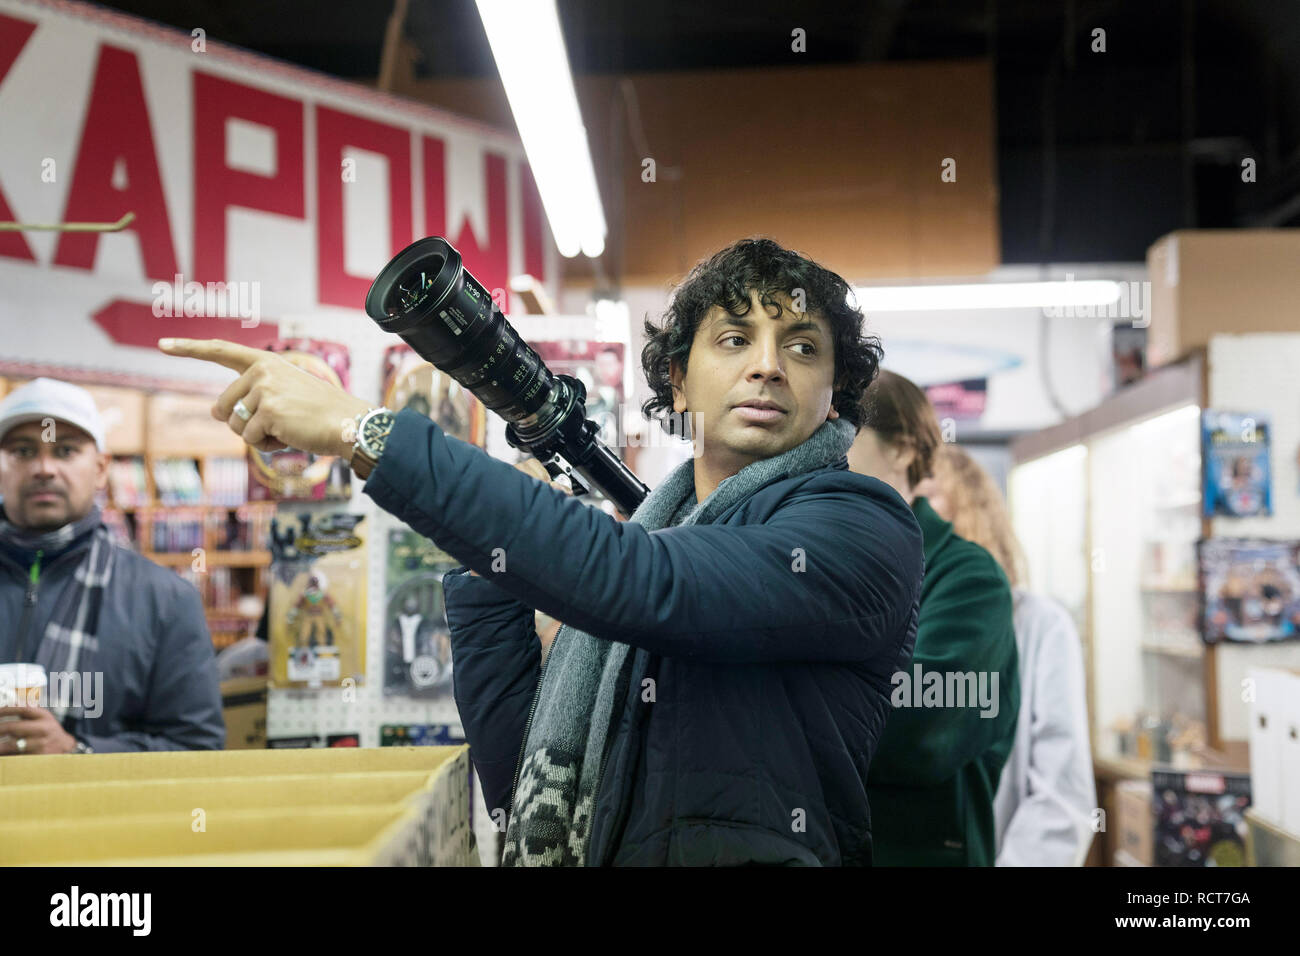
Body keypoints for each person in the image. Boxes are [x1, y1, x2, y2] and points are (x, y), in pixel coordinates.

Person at [159, 236, 925, 866]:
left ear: (835, 393)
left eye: (802, 347)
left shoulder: (860, 526)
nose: (767, 365)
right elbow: (515, 774)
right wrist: (491, 571)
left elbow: (647, 585)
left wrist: (366, 431)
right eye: (734, 339)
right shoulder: (663, 530)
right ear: (678, 382)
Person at [846, 370, 1019, 866]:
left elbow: (921, 726)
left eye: (843, 434)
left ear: (901, 451)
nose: (819, 456)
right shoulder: (817, 565)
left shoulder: (969, 578)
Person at [0, 378, 224, 754]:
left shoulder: (165, 600)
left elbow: (197, 748)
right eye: (23, 451)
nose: (44, 468)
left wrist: (76, 752)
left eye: (65, 451)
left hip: (93, 796)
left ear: (101, 469)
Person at [917, 444, 1096, 866]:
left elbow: (1062, 793)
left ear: (970, 514)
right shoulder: (897, 619)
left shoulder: (1039, 624)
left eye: (927, 497)